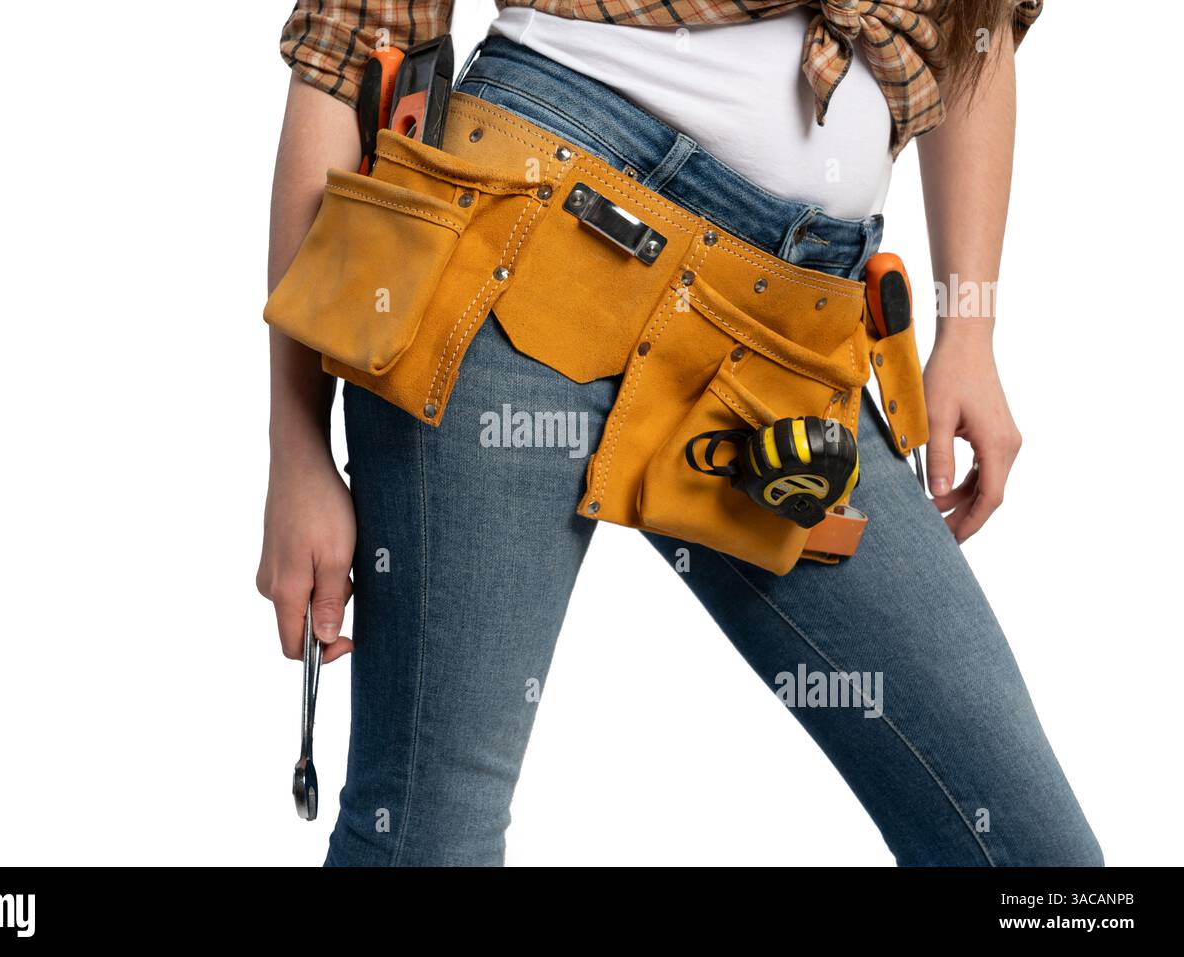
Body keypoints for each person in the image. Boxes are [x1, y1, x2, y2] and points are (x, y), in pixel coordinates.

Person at [257, 0, 1103, 867]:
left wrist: (970, 331)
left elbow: (979, 33)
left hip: (790, 330)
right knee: (426, 836)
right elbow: (354, 43)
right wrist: (297, 450)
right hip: (523, 241)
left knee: (1036, 859)